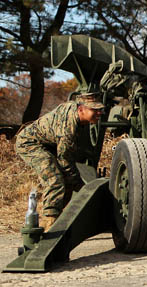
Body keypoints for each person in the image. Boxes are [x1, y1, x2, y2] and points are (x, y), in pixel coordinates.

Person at [15, 92, 105, 230]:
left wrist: (75, 182)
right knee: (55, 179)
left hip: (49, 145)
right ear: (81, 109)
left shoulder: (77, 115)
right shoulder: (68, 128)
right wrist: (80, 185)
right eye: (94, 110)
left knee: (67, 180)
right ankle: (50, 224)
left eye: (100, 109)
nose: (99, 113)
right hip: (29, 143)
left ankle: (59, 219)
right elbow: (65, 159)